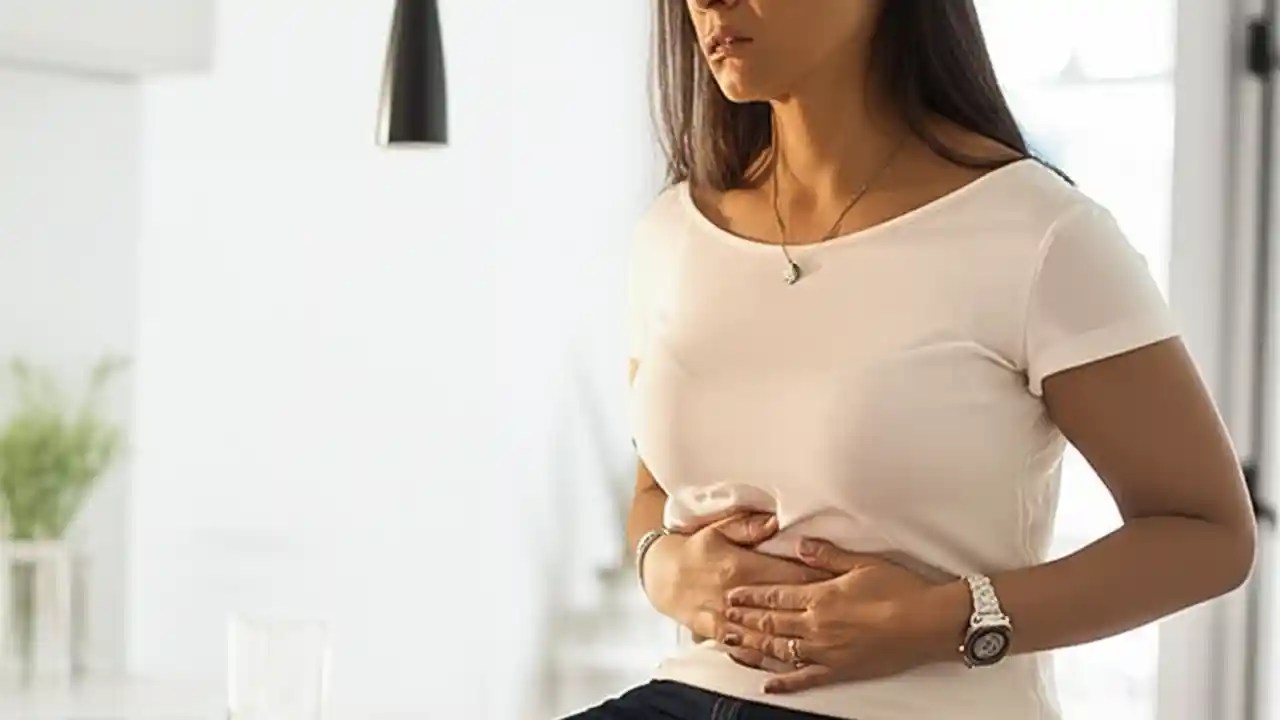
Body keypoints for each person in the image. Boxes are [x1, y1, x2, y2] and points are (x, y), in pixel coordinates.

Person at [567, 2, 1257, 719]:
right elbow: (655, 493)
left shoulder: (1035, 233)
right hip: (685, 696)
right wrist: (661, 566)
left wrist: (940, 620)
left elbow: (1207, 533)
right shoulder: (672, 233)